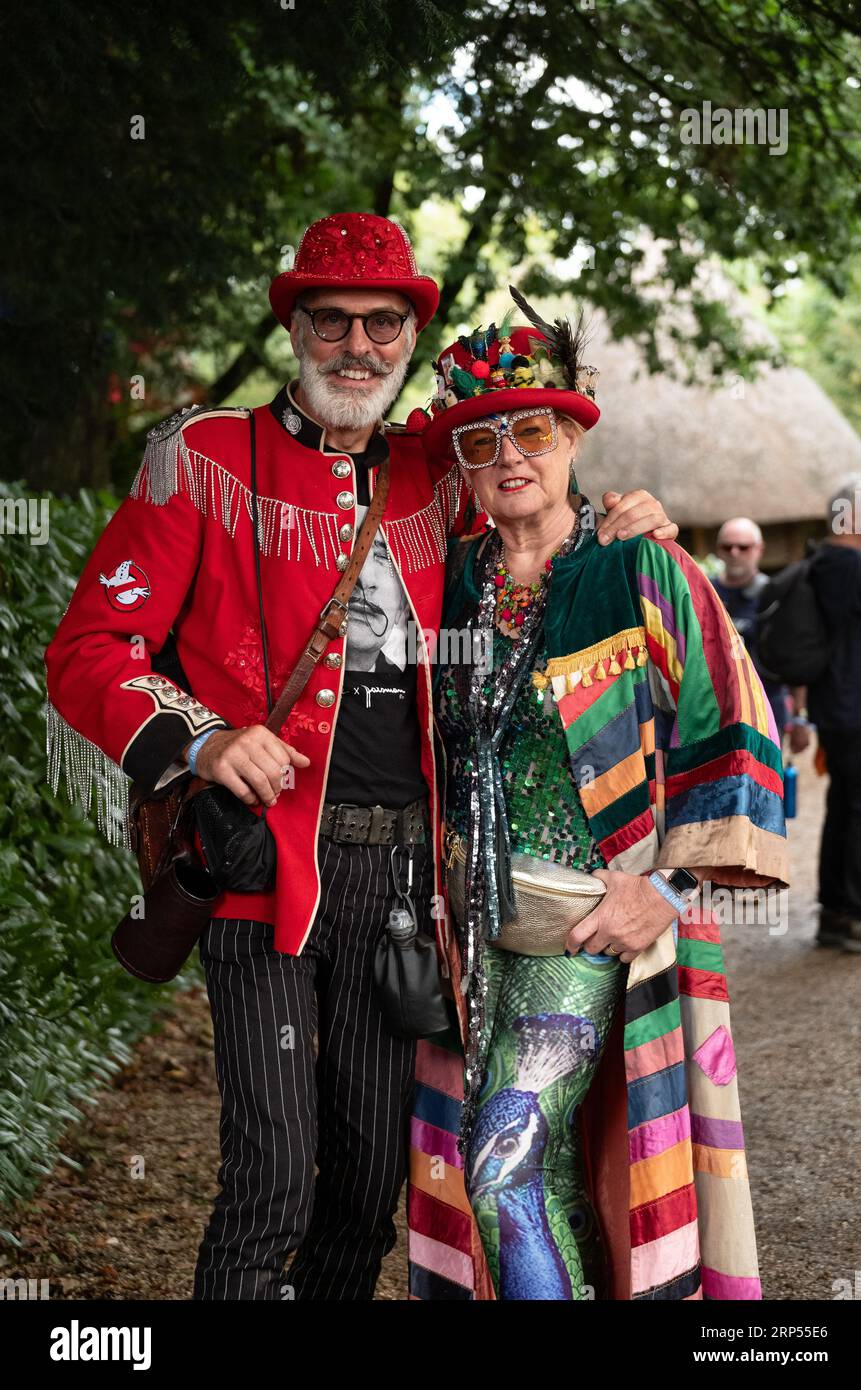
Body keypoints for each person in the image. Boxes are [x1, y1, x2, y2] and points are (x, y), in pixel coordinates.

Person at [43, 212, 679, 1301]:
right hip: (262, 877)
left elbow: (529, 491)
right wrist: (202, 736)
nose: (356, 346)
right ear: (293, 326)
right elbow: (90, 649)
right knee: (273, 1177)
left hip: (405, 887)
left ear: (406, 333)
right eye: (329, 320)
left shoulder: (439, 463)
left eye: (382, 324)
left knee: (368, 1185)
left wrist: (623, 524)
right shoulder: (201, 458)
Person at [405, 299, 790, 1301]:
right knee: (533, 1175)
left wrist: (660, 888)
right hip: (466, 932)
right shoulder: (440, 585)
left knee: (501, 1154)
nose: (508, 457)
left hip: (587, 927)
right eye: (480, 441)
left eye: (531, 430)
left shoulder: (636, 569)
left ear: (573, 433)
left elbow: (737, 724)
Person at [788, 476, 861, 952]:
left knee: (845, 806)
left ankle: (836, 912)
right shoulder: (855, 566)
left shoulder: (820, 561)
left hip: (836, 707)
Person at [712, 516, 788, 742]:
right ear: (719, 550)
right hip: (717, 712)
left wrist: (799, 718)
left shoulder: (774, 596)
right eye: (728, 546)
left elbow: (796, 654)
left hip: (767, 709)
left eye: (743, 547)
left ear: (759, 549)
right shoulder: (705, 593)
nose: (734, 553)